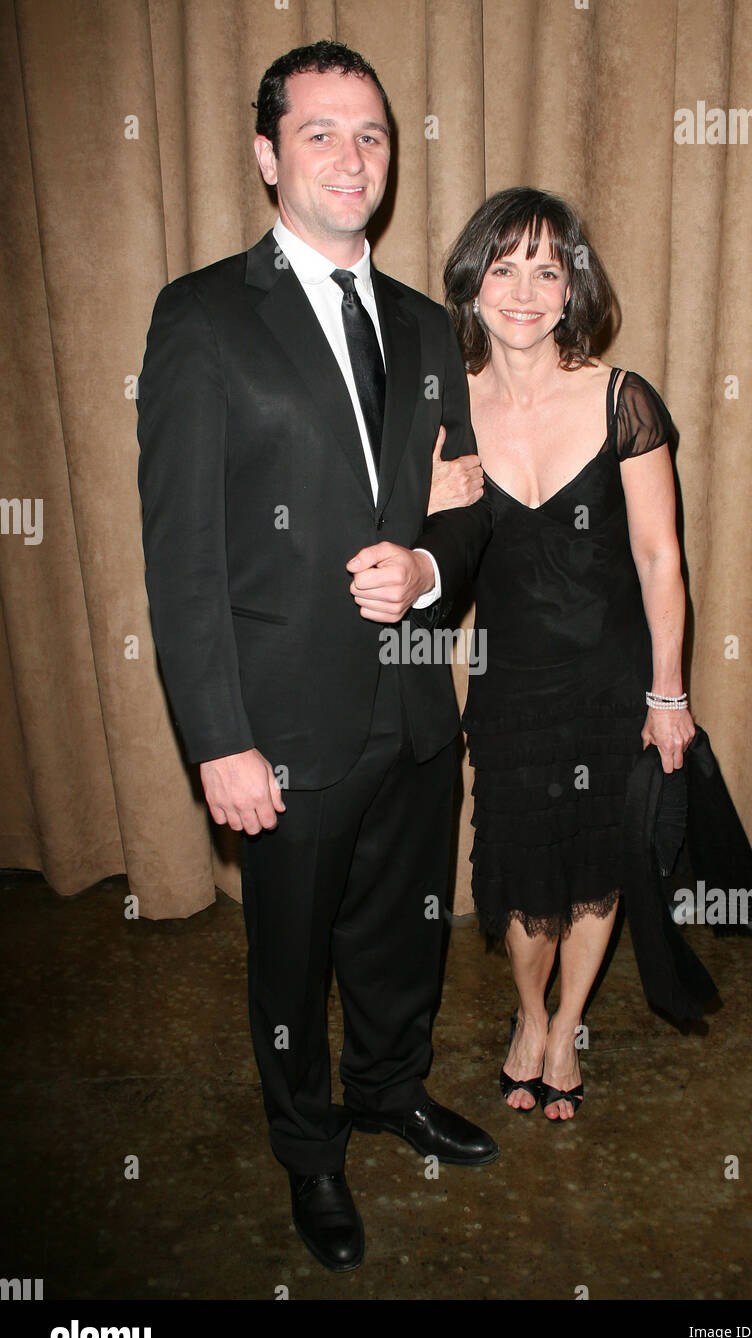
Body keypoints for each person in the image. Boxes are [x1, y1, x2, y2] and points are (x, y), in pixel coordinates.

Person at [137, 40, 496, 1275]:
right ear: (266, 153)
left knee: (404, 932)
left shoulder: (420, 325)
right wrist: (217, 739)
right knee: (288, 958)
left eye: (373, 135)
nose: (352, 157)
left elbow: (464, 503)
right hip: (279, 725)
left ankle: (391, 1091)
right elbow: (181, 555)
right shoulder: (199, 317)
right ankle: (311, 1155)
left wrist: (428, 567)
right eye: (322, 132)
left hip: (412, 713)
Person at [432, 186, 696, 1123]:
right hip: (509, 684)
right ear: (472, 285)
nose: (526, 289)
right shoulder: (444, 415)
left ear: (573, 288)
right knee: (515, 868)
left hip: (611, 679)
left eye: (549, 268)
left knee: (595, 865)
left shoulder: (624, 399)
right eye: (505, 267)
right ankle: (528, 1011)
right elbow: (426, 558)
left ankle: (563, 1028)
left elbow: (661, 557)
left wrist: (669, 694)